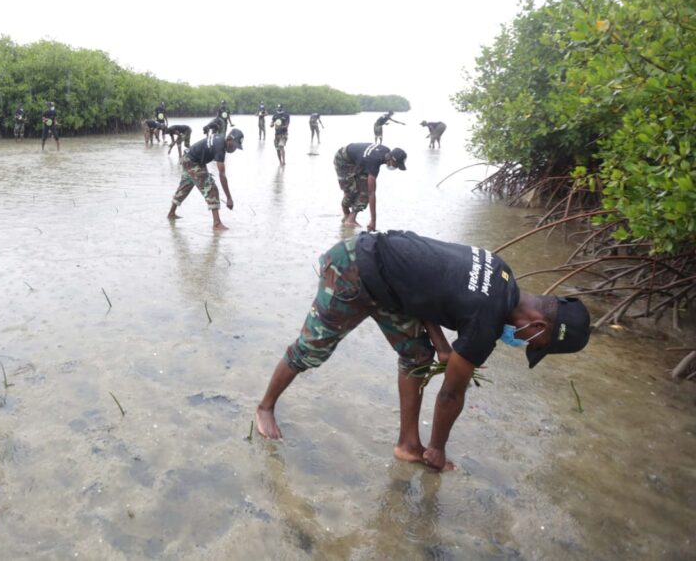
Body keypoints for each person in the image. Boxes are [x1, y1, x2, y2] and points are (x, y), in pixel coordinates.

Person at [255, 229, 592, 471]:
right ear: (537, 326)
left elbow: (425, 289)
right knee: (311, 350)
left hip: (388, 278)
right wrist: (439, 449)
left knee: (418, 356)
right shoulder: (485, 324)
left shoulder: (501, 270)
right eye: (534, 344)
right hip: (352, 268)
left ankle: (407, 445)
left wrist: (444, 348)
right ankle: (265, 407)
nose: (524, 346)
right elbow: (449, 396)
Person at [167, 128, 243, 231]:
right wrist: (229, 198)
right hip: (193, 162)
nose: (234, 149)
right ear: (229, 139)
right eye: (234, 145)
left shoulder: (220, 139)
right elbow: (222, 175)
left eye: (236, 147)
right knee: (211, 189)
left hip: (188, 158)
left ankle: (171, 213)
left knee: (185, 186)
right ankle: (216, 224)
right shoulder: (220, 147)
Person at [334, 143, 406, 229]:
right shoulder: (374, 162)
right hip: (343, 159)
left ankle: (350, 218)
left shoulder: (386, 151)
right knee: (351, 191)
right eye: (396, 165)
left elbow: (368, 192)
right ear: (391, 159)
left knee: (364, 193)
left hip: (360, 162)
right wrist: (373, 221)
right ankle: (347, 215)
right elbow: (372, 193)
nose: (396, 167)